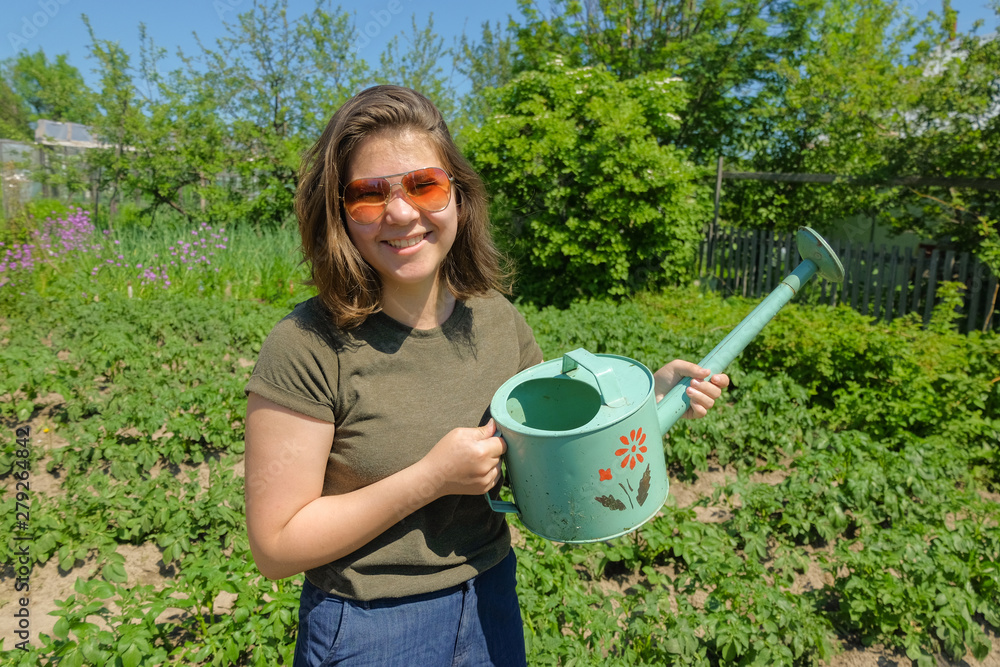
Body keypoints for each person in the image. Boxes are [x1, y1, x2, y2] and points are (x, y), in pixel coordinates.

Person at [243, 84, 729, 667]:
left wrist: (647, 399)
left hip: (491, 599)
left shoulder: (497, 319)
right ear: (339, 213)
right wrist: (430, 478)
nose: (400, 213)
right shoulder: (308, 344)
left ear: (460, 197)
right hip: (372, 628)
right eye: (368, 196)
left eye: (424, 184)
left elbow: (550, 445)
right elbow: (275, 547)